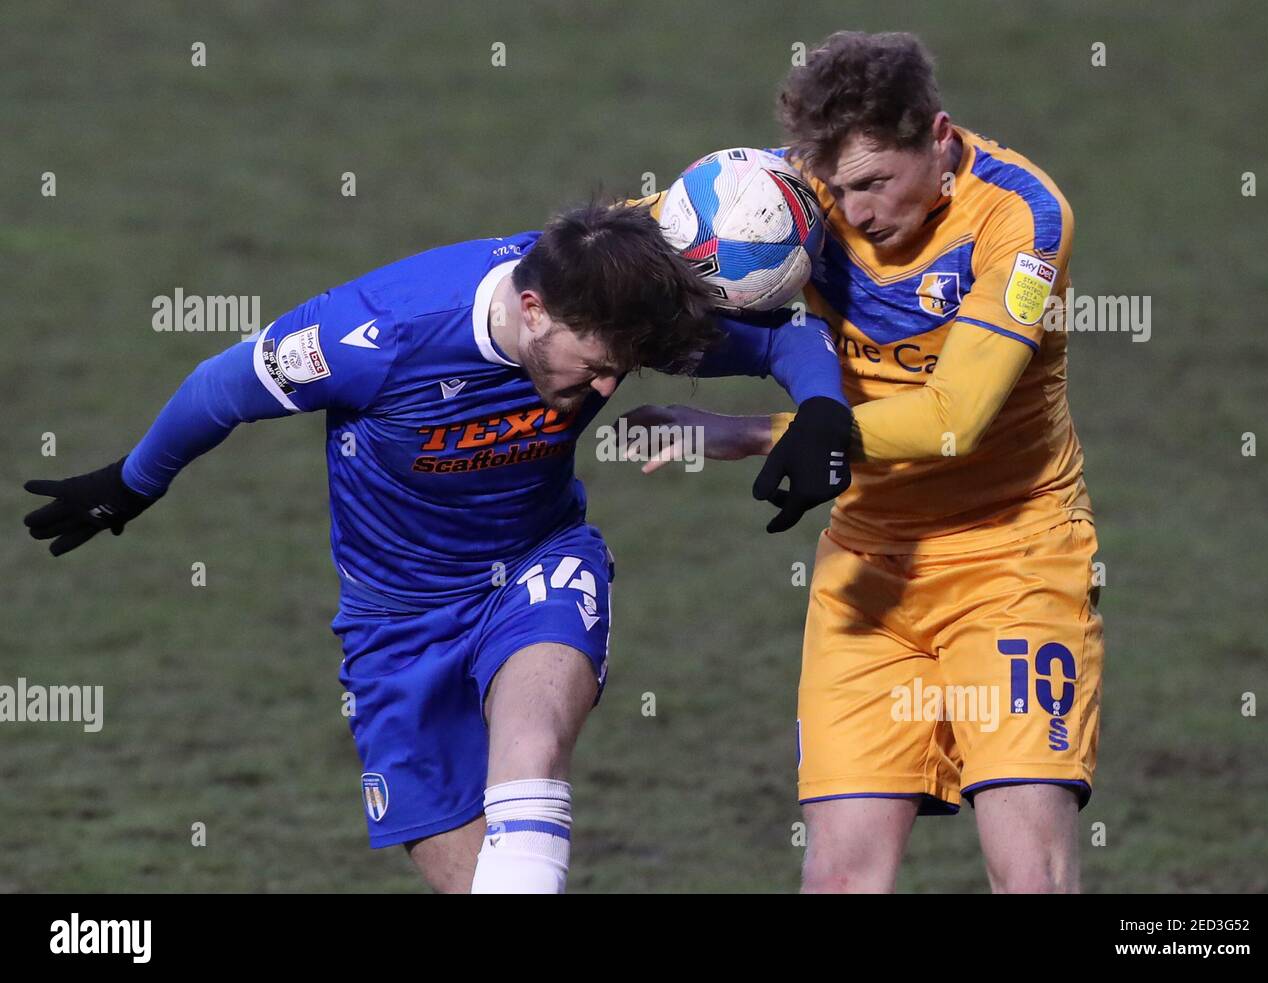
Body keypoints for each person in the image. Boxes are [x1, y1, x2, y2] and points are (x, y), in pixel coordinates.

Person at [23, 202, 852, 893]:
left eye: (620, 373)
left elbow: (784, 336)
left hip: (538, 562)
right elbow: (222, 386)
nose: (606, 390)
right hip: (395, 622)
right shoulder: (375, 334)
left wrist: (820, 410)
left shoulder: (614, 310)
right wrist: (133, 482)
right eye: (597, 368)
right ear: (533, 312)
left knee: (530, 749)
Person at [627, 31, 1103, 893]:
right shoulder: (784, 193)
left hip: (1015, 562)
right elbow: (611, 246)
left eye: (875, 182)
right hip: (871, 569)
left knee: (1030, 872)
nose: (851, 211)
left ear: (940, 135)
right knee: (840, 879)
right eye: (835, 188)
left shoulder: (1021, 218)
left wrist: (747, 435)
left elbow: (953, 419)